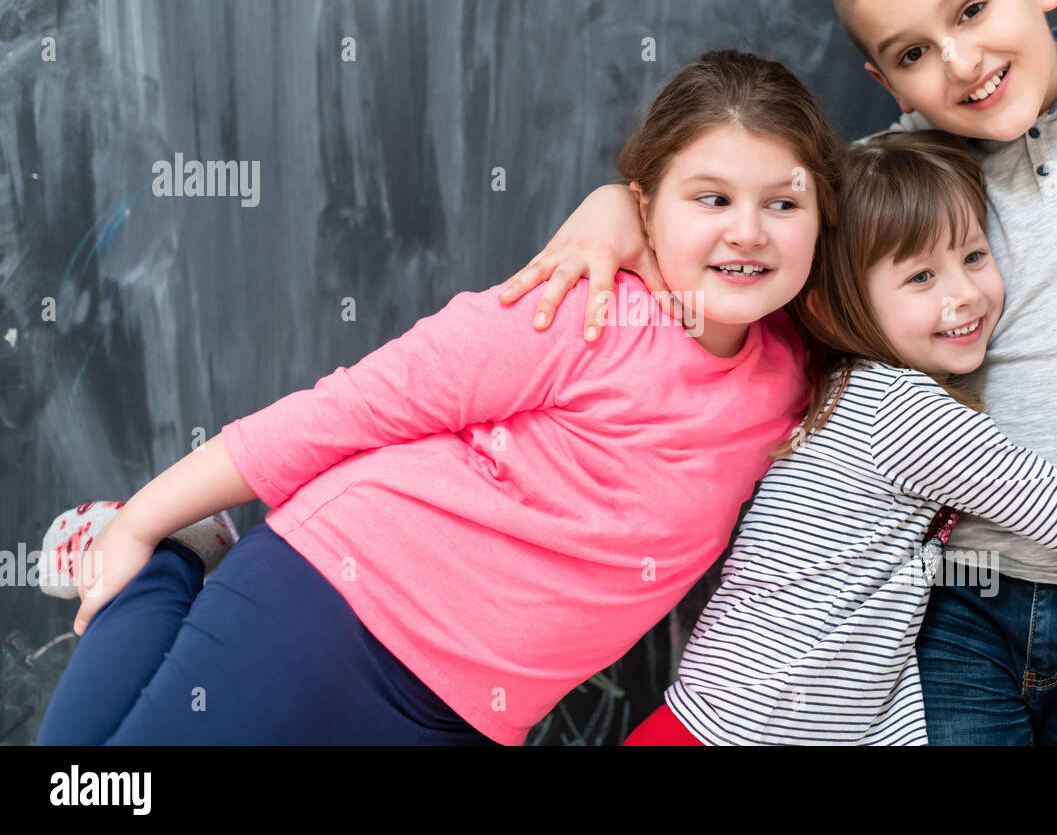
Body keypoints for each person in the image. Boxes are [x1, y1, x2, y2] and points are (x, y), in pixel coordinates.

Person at [495, 0, 1057, 744]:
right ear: (887, 83)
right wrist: (619, 209)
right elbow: (735, 233)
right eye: (913, 52)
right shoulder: (876, 186)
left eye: (974, 10)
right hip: (964, 601)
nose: (961, 62)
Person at [35, 48, 837, 746]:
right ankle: (167, 549)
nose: (747, 231)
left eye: (783, 202)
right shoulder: (573, 310)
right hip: (334, 607)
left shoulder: (799, 371)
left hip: (476, 718)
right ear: (646, 205)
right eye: (710, 198)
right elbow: (344, 411)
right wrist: (141, 521)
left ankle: (173, 553)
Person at [619, 130, 1057, 745]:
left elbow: (872, 624)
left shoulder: (847, 389)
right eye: (920, 278)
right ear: (833, 308)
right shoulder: (901, 410)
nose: (964, 294)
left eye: (974, 256)